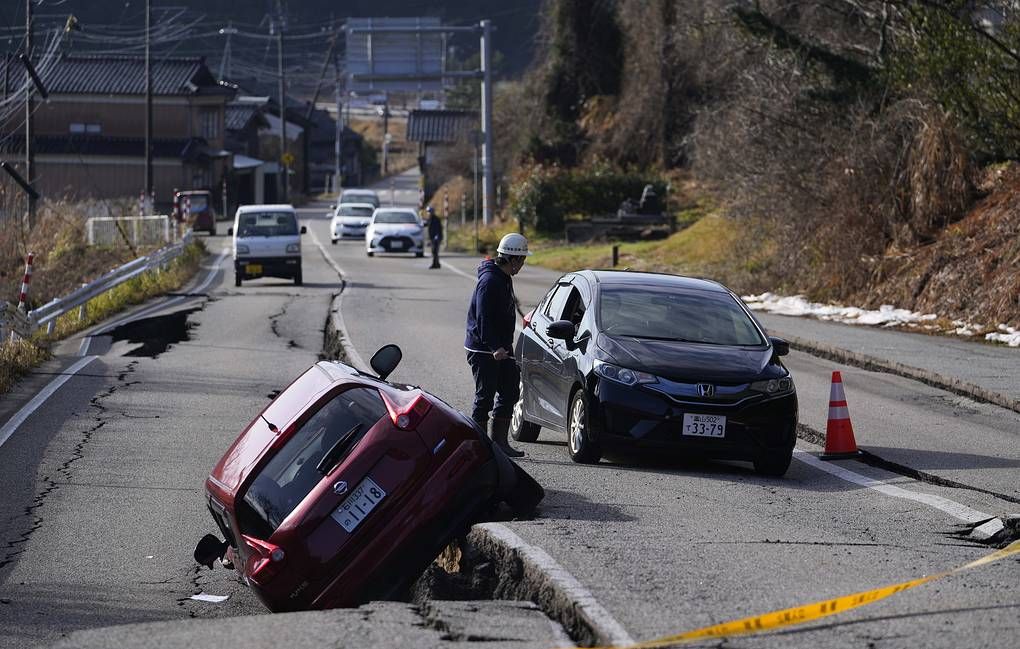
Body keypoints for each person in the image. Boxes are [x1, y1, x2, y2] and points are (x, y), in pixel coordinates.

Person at [464, 232, 531, 457]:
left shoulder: (503, 278)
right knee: (485, 395)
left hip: (501, 347)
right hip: (484, 348)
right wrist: (494, 347)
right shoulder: (490, 281)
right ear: (512, 260)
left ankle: (499, 443)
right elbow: (483, 318)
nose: (522, 265)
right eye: (521, 261)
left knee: (510, 390)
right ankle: (480, 446)